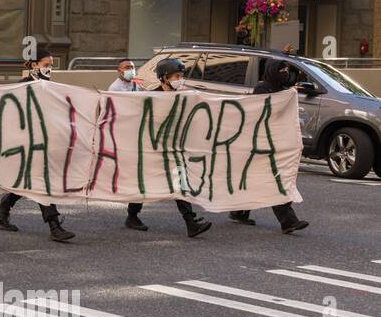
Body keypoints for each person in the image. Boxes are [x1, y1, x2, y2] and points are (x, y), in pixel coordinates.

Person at [0, 49, 75, 243]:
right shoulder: (22, 86)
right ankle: (54, 225)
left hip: (43, 143)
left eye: (52, 64)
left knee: (28, 180)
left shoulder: (51, 87)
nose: (50, 68)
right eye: (46, 64)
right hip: (26, 144)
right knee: (40, 181)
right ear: (35, 65)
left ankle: (3, 211)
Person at [123, 57, 214, 238]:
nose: (180, 80)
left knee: (180, 182)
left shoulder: (183, 97)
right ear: (164, 78)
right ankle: (132, 216)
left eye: (181, 76)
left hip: (174, 150)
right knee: (143, 183)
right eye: (176, 76)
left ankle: (191, 223)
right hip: (152, 150)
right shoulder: (151, 97)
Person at [227, 59, 309, 234]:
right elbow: (258, 114)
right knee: (274, 181)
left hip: (273, 142)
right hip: (259, 143)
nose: (284, 73)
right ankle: (288, 221)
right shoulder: (263, 89)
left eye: (286, 70)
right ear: (272, 71)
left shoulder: (282, 90)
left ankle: (239, 211)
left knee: (251, 179)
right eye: (281, 70)